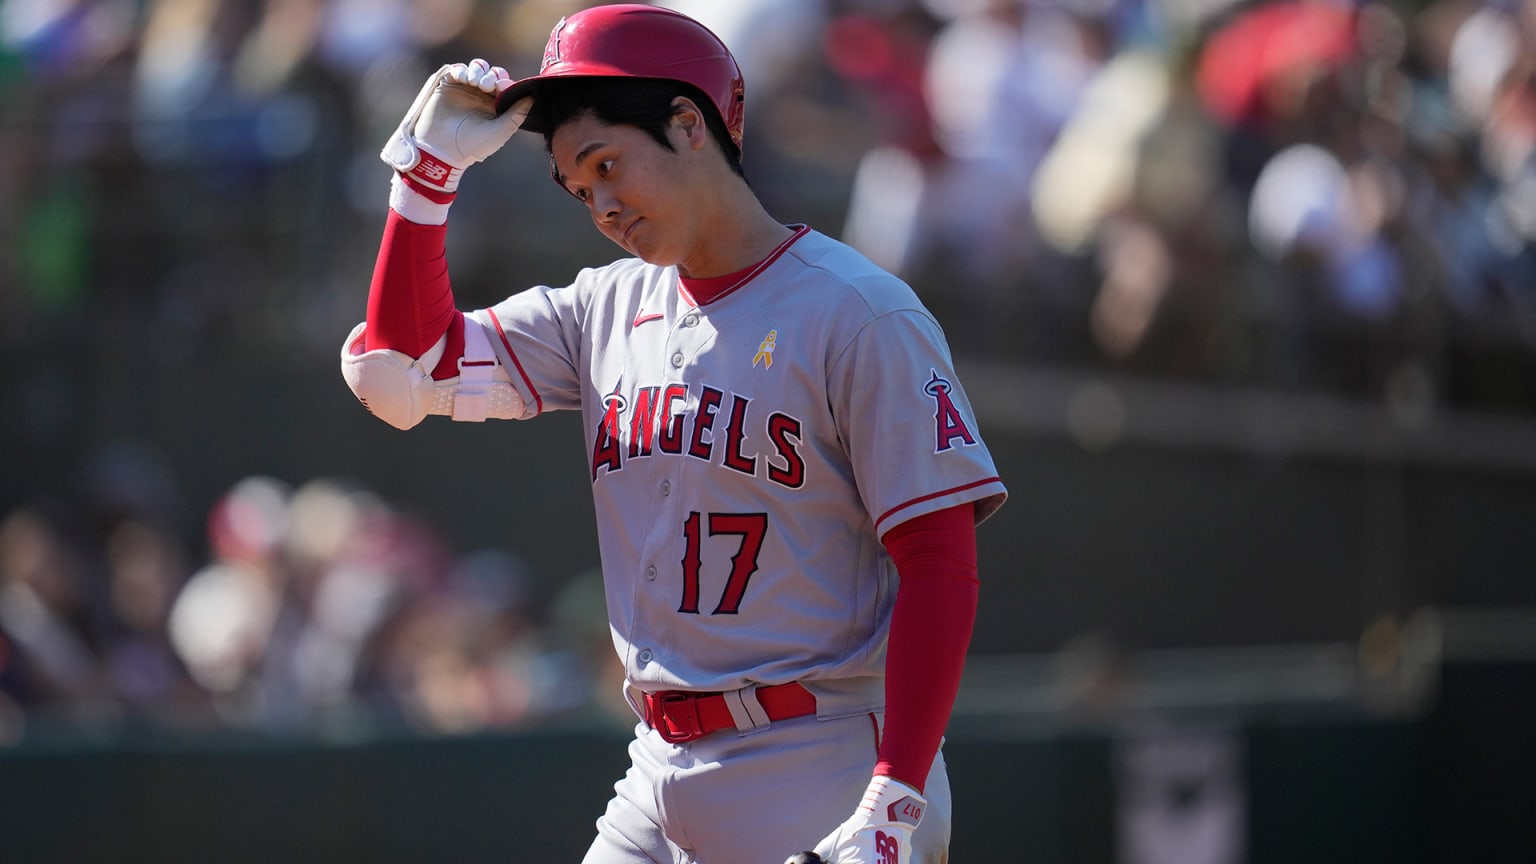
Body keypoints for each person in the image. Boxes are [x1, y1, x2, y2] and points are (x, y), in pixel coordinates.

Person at [339, 6, 1006, 863]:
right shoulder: (602, 308)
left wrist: (899, 792)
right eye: (581, 189)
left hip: (820, 759)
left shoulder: (859, 312)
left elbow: (940, 565)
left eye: (609, 165)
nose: (603, 206)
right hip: (656, 765)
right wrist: (424, 178)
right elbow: (403, 366)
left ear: (689, 124)